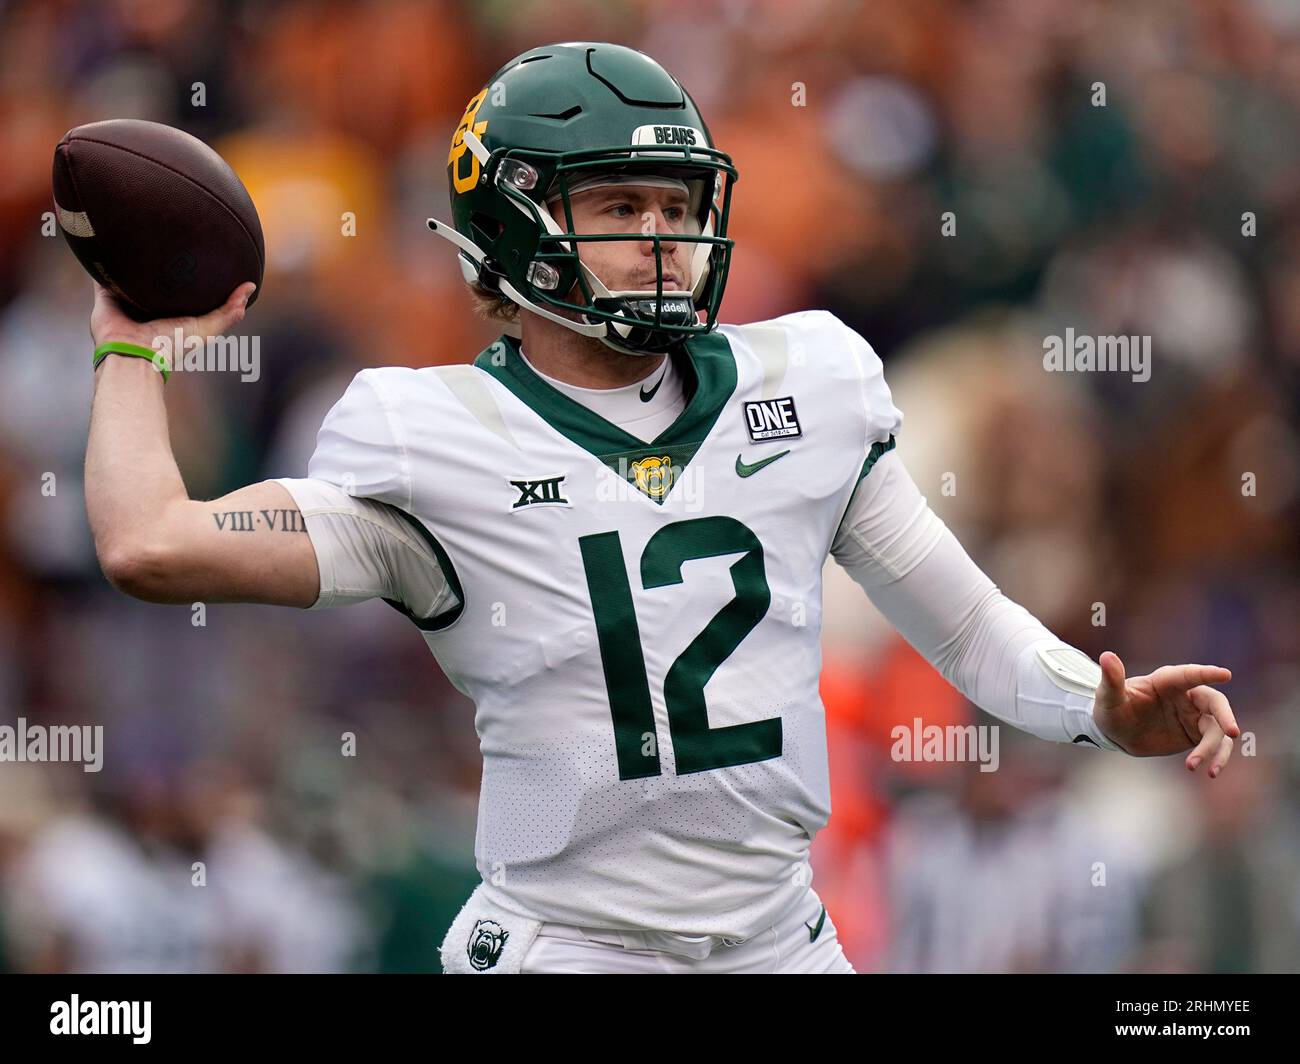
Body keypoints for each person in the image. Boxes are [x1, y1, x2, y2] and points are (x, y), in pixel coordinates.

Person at [84, 42, 1239, 975]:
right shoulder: (427, 436)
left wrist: (1098, 711)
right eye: (621, 204)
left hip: (782, 939)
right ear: (516, 225)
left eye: (677, 205)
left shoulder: (810, 382)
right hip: (570, 945)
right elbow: (152, 544)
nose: (663, 241)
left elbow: (968, 626)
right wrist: (131, 339)